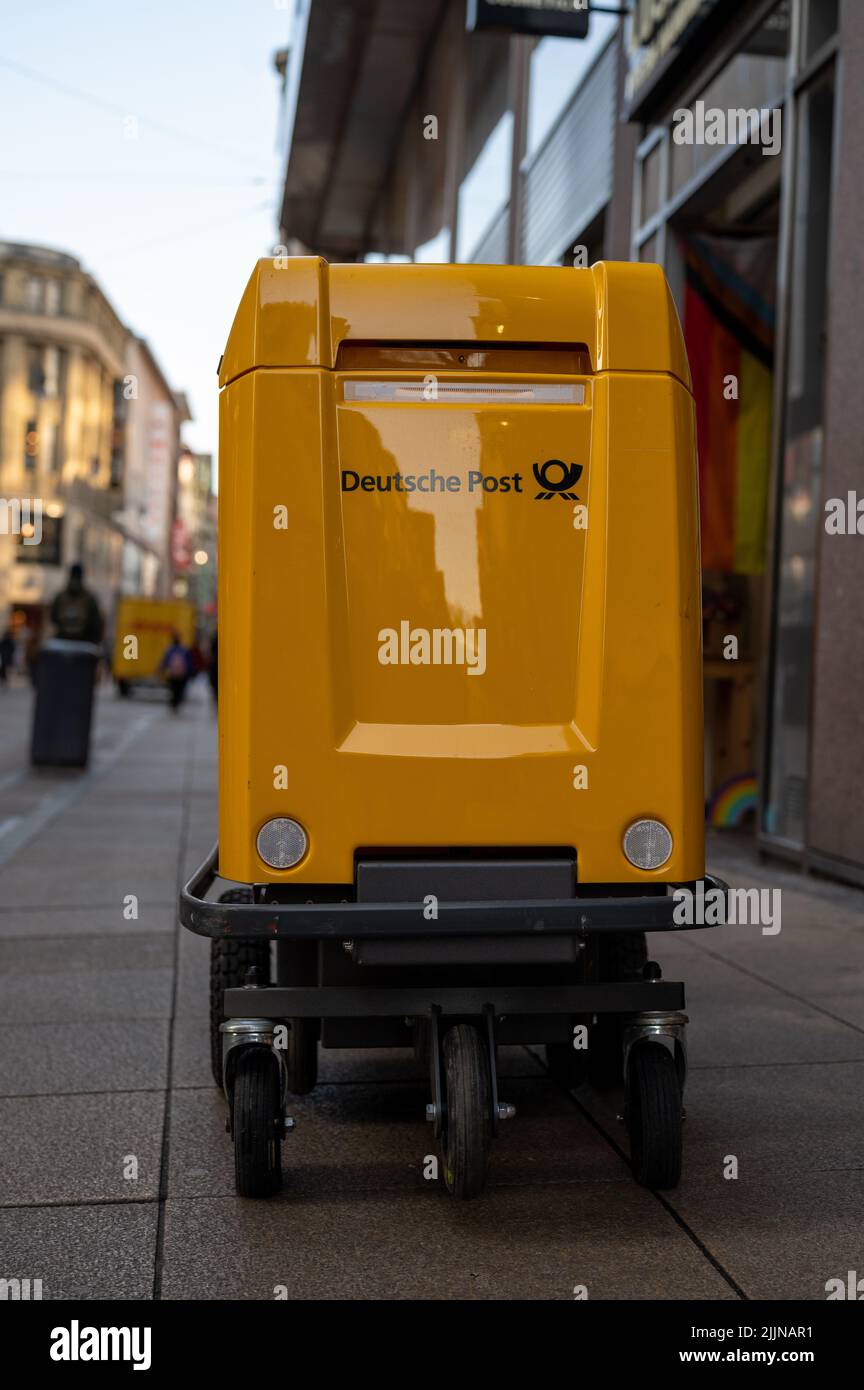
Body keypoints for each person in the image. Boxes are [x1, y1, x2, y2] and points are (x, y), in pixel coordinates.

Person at [50, 563, 104, 645]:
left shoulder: (61, 597)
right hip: (73, 642)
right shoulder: (89, 598)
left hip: (79, 642)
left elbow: (53, 619)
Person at [159, 632, 192, 712]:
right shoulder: (183, 649)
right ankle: (175, 703)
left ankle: (174, 703)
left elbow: (165, 661)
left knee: (174, 690)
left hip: (174, 674)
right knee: (178, 690)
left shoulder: (171, 650)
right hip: (181, 675)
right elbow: (189, 662)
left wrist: (161, 669)